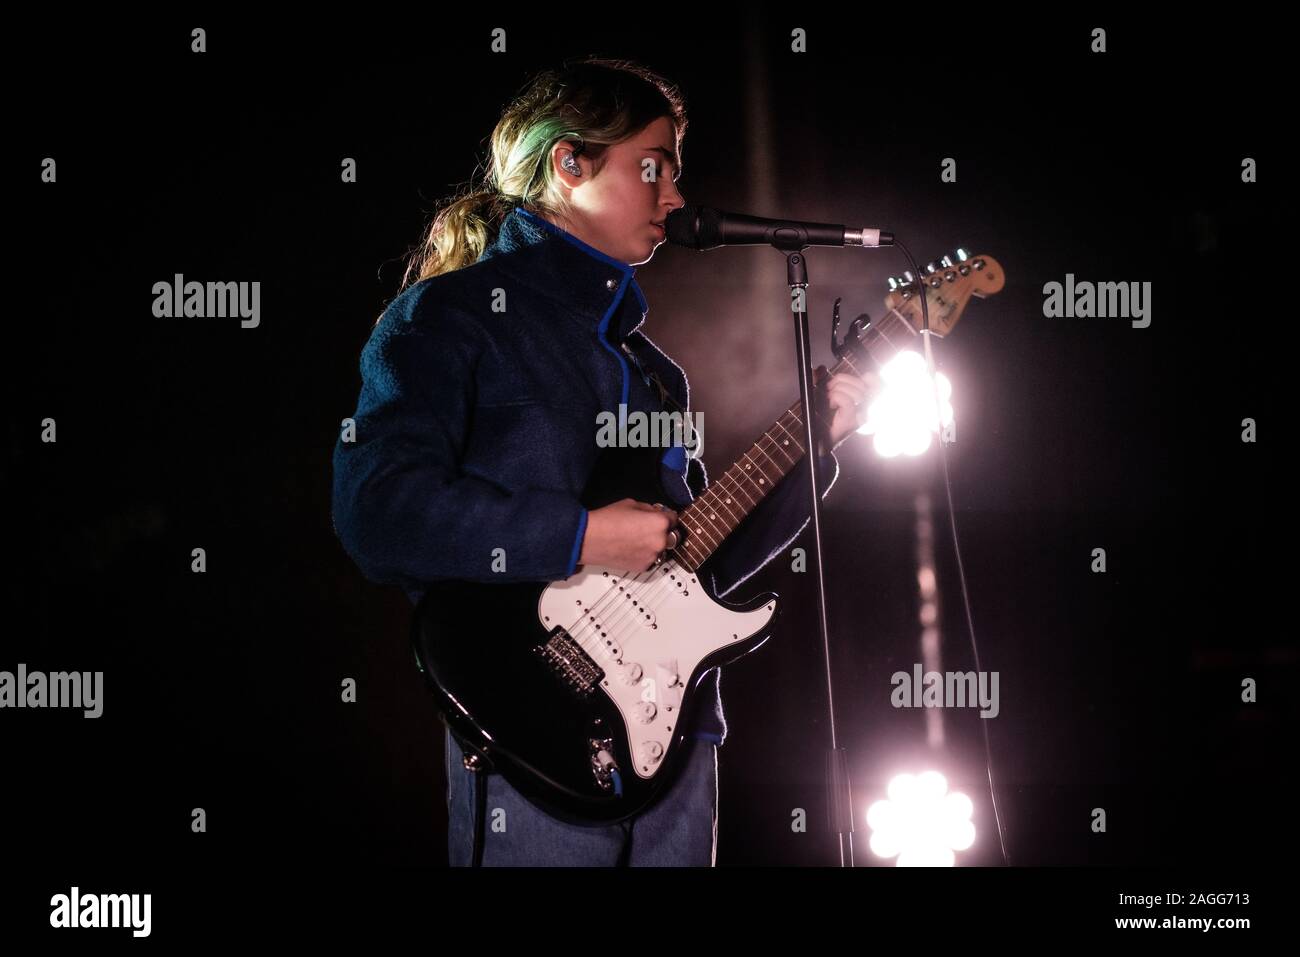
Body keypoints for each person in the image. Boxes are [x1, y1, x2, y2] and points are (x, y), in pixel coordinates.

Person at [331, 57, 873, 866]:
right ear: (569, 164)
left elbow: (698, 566)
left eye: (676, 174)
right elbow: (375, 508)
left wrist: (817, 446)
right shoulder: (451, 316)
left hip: (676, 740)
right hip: (532, 728)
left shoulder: (658, 372)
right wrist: (579, 535)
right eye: (652, 167)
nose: (677, 198)